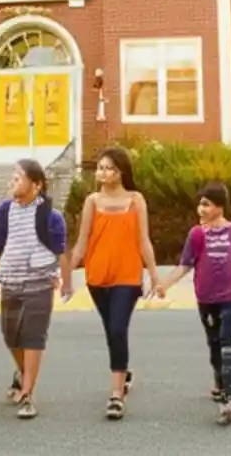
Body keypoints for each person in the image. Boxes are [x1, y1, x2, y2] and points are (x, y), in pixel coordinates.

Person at [68, 147, 158, 420]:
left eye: (108, 168)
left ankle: (116, 394)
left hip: (127, 276)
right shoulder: (92, 201)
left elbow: (144, 240)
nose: (102, 173)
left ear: (121, 172)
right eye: (100, 168)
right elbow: (82, 242)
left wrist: (155, 276)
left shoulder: (136, 199)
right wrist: (65, 276)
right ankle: (123, 371)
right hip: (97, 276)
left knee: (118, 327)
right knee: (111, 330)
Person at [0, 159, 72, 420]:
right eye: (13, 176)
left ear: (36, 184)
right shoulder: (4, 211)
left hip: (40, 283)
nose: (13, 181)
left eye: (19, 177)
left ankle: (28, 393)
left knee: (33, 336)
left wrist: (66, 281)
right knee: (11, 335)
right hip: (10, 281)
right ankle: (23, 375)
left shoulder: (50, 217)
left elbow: (61, 251)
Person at [157, 182, 231, 424]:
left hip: (230, 297)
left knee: (226, 341)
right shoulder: (197, 234)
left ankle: (229, 398)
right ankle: (220, 380)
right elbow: (185, 265)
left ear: (220, 206)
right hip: (206, 298)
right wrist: (165, 284)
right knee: (214, 343)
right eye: (200, 204)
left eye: (206, 204)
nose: (201, 209)